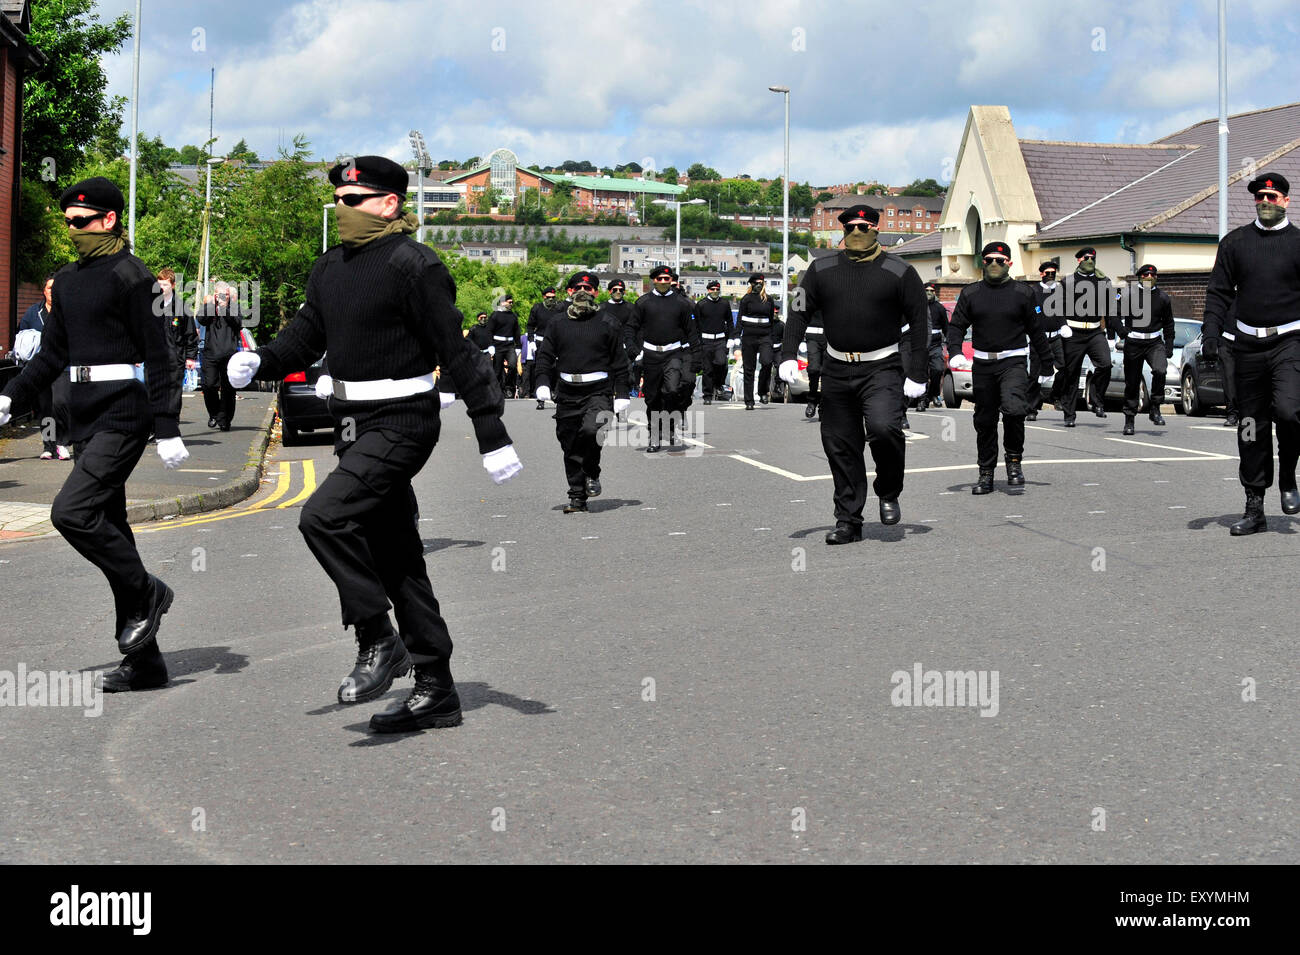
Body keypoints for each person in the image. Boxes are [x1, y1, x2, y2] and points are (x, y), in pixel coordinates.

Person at [226, 155, 521, 731]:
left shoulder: (416, 266)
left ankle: (377, 636)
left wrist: (491, 429)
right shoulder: (330, 268)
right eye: (338, 200)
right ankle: (437, 688)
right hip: (351, 424)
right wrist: (258, 361)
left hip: (404, 421)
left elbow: (454, 350)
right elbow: (303, 339)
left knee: (323, 517)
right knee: (398, 557)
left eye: (353, 200)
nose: (342, 209)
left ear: (389, 203)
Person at [0, 176, 189, 691]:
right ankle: (146, 663)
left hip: (123, 415)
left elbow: (161, 354)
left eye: (81, 222)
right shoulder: (69, 281)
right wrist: (11, 397)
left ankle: (147, 592)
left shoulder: (136, 278)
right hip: (83, 416)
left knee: (71, 513)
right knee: (114, 531)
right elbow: (53, 355)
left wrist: (167, 424)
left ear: (109, 220)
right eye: (67, 224)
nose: (73, 231)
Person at [778, 204, 928, 542]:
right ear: (841, 232)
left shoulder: (900, 271)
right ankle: (848, 520)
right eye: (850, 228)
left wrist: (917, 373)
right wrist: (788, 354)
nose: (856, 233)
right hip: (836, 367)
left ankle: (888, 490)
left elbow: (920, 324)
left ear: (876, 229)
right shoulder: (820, 269)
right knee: (840, 445)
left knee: (884, 428)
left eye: (864, 227)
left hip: (882, 367)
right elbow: (798, 311)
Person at [1201, 171, 1300, 535]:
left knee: (1290, 412)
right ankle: (1254, 505)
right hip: (1246, 346)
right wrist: (1211, 332)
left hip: (1290, 341)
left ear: (1286, 201)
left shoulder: (1297, 243)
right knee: (1249, 426)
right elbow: (1219, 292)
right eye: (1260, 196)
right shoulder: (1235, 243)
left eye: (1273, 197)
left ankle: (1288, 473)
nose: (1265, 201)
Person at [946, 242, 1054, 494]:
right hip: (983, 363)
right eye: (989, 260)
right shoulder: (971, 293)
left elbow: (1037, 331)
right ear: (982, 263)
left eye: (1000, 260)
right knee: (984, 420)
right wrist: (955, 352)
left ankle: (1014, 462)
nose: (994, 264)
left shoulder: (1023, 293)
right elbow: (957, 326)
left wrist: (1048, 365)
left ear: (1010, 264)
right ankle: (986, 473)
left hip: (1013, 361)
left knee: (1015, 410)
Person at [534, 271, 630, 512]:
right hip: (567, 391)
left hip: (599, 391)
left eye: (588, 289)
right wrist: (542, 382)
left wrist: (622, 395)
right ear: (569, 292)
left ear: (596, 293)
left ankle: (592, 471)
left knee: (591, 430)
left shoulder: (608, 322)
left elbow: (620, 362)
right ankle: (577, 497)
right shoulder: (556, 323)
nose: (582, 292)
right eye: (577, 288)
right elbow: (545, 356)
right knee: (570, 444)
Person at [624, 265, 701, 452]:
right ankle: (654, 436)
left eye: (667, 279)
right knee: (652, 398)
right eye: (660, 279)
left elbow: (692, 332)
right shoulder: (643, 302)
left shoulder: (681, 303)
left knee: (673, 390)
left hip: (673, 354)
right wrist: (635, 351)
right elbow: (630, 329)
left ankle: (670, 423)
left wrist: (697, 357)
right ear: (654, 280)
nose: (664, 282)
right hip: (650, 355)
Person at [1050, 246, 1113, 425]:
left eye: (1093, 257)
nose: (1090, 260)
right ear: (1078, 260)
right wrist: (1063, 325)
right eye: (1086, 257)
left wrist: (1112, 334)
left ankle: (1095, 399)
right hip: (1073, 332)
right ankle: (1069, 414)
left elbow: (1110, 309)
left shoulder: (1103, 281)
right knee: (1071, 373)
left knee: (1105, 364)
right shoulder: (1067, 282)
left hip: (1094, 331)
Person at [16, 273, 72, 460]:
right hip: (42, 367)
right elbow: (22, 335)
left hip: (63, 365)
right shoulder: (34, 312)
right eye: (49, 288)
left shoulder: (66, 311)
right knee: (45, 407)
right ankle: (49, 445)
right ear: (44, 291)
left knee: (61, 402)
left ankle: (62, 442)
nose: (52, 292)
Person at [1116, 264, 1174, 435]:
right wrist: (1122, 331)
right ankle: (1129, 419)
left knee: (1160, 370)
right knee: (1132, 382)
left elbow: (1169, 323)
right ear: (1140, 277)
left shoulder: (1163, 297)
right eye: (1146, 275)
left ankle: (1155, 407)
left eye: (1153, 275)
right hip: (1134, 342)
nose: (1150, 278)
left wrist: (1169, 344)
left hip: (1154, 342)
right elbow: (1114, 314)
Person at [196, 280, 242, 431]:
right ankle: (214, 413)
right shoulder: (210, 307)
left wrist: (225, 309)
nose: (224, 298)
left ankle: (225, 419)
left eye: (226, 295)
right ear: (215, 295)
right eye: (221, 295)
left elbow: (238, 323)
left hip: (229, 353)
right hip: (211, 352)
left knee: (228, 388)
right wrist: (212, 305)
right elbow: (201, 320)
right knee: (208, 385)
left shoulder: (234, 307)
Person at [1025, 259, 1065, 420]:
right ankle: (1031, 409)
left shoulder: (1060, 292)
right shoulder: (1034, 292)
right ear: (1041, 274)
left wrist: (1064, 325)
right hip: (1038, 338)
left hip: (1056, 336)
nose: (1050, 276)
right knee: (1035, 374)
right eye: (1047, 273)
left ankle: (1056, 396)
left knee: (1065, 367)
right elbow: (1031, 313)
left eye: (1053, 273)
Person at [156, 268, 197, 412]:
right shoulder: (152, 305)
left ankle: (172, 420)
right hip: (156, 356)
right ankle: (156, 425)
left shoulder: (182, 307)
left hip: (176, 356)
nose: (161, 287)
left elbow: (190, 334)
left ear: (173, 285)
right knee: (156, 391)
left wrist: (191, 357)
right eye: (159, 284)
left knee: (174, 391)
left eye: (165, 284)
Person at [737, 273, 776, 409]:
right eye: (757, 282)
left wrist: (770, 336)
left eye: (762, 282)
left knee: (767, 362)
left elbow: (771, 320)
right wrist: (736, 337)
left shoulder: (768, 300)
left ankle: (762, 391)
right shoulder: (746, 299)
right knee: (749, 368)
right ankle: (749, 401)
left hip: (765, 336)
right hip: (749, 336)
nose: (759, 284)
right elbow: (740, 320)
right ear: (752, 284)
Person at [693, 279, 732, 404]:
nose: (715, 291)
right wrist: (698, 341)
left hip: (720, 340)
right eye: (712, 289)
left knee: (721, 363)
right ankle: (707, 396)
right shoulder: (701, 304)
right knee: (707, 370)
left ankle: (719, 384)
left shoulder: (725, 304)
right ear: (708, 290)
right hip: (706, 341)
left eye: (717, 289)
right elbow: (696, 325)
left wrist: (731, 338)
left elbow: (730, 322)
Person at [527, 287, 563, 408]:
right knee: (542, 369)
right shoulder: (537, 308)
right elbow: (530, 326)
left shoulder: (559, 309)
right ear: (544, 297)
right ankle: (540, 399)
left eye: (553, 298)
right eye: (548, 298)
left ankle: (554, 393)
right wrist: (531, 341)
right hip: (540, 342)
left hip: (555, 343)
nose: (551, 300)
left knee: (556, 369)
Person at [920, 281, 948, 411]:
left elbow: (946, 327)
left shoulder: (939, 308)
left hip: (936, 345)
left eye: (932, 291)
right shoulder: (917, 307)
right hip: (920, 345)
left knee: (937, 369)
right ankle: (922, 399)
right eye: (927, 291)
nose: (929, 293)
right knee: (922, 373)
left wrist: (950, 343)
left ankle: (934, 394)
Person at [487, 293, 521, 397]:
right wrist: (491, 345)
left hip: (509, 345)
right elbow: (489, 331)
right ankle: (496, 389)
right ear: (503, 303)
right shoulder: (495, 315)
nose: (511, 304)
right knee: (497, 370)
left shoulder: (513, 316)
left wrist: (518, 346)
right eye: (509, 302)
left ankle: (508, 387)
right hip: (497, 345)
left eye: (512, 302)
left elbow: (517, 332)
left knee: (512, 365)